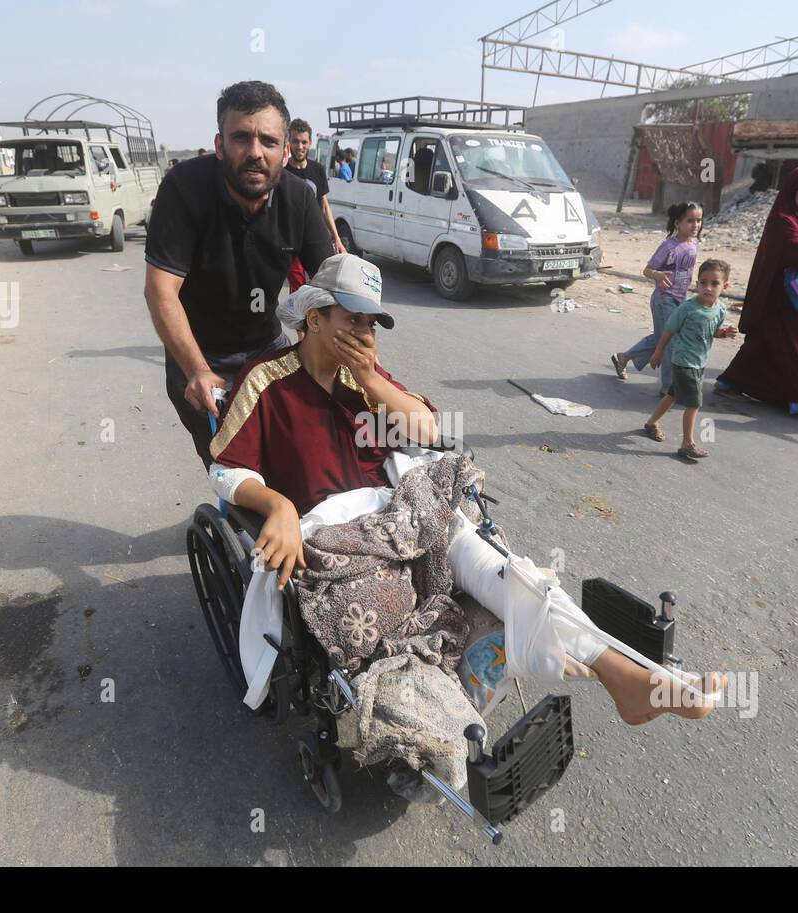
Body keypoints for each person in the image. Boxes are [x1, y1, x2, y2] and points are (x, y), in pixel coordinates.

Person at [209, 252, 727, 727]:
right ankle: (460, 705)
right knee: (384, 607)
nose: (364, 333)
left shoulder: (362, 377)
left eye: (371, 323)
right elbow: (227, 468)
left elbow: (428, 432)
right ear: (316, 318)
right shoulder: (267, 380)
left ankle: (628, 678)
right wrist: (274, 504)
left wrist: (369, 380)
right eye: (352, 320)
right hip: (331, 531)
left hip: (400, 512)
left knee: (504, 570)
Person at [144, 80, 334, 468]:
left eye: (267, 141)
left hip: (266, 345)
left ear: (285, 151)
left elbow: (330, 282)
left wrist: (356, 351)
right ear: (219, 144)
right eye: (241, 138)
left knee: (306, 442)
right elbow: (160, 291)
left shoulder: (299, 198)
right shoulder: (184, 190)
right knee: (234, 464)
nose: (254, 153)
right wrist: (197, 370)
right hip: (200, 355)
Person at [714, 166, 798, 417]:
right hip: (778, 295)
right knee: (793, 346)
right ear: (792, 190)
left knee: (762, 342)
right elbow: (797, 252)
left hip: (787, 293)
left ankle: (729, 381)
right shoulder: (783, 219)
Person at [642, 259, 732, 460]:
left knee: (672, 394)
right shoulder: (687, 308)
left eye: (714, 283)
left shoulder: (720, 309)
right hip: (684, 361)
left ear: (725, 286)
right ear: (697, 283)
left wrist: (724, 333)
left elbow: (713, 332)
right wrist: (657, 353)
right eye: (703, 282)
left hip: (700, 361)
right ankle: (687, 444)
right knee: (694, 404)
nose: (708, 288)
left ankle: (651, 423)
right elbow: (668, 331)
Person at [611, 202, 702, 395]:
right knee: (669, 341)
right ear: (678, 223)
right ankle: (668, 386)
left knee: (662, 337)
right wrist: (659, 276)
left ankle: (623, 358)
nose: (695, 225)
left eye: (699, 220)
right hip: (664, 300)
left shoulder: (694, 243)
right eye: (690, 220)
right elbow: (647, 270)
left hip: (680, 299)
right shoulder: (669, 246)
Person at [283, 118, 346, 292]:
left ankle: (313, 318)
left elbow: (325, 207)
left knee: (321, 282)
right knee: (298, 286)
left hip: (315, 235)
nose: (300, 146)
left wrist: (337, 239)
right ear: (289, 142)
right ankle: (299, 319)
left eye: (304, 142)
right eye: (295, 141)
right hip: (290, 239)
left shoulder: (317, 169)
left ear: (310, 143)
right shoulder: (281, 172)